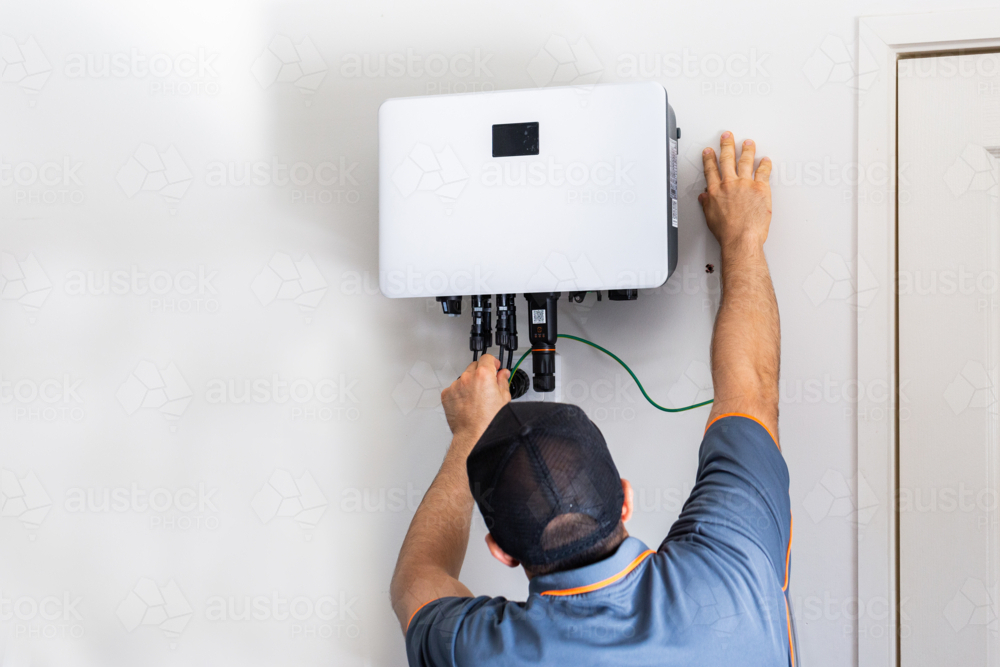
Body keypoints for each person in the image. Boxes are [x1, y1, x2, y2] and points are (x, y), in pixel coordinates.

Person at [390, 132, 792, 666]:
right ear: (624, 496)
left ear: (501, 553)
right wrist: (742, 238)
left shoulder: (479, 653)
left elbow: (415, 583)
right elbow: (751, 390)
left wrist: (469, 435)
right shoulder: (731, 563)